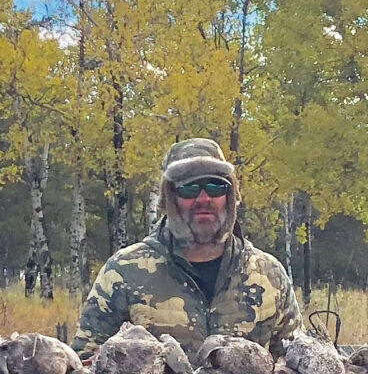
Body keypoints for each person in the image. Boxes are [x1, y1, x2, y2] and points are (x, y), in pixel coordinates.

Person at [75, 139, 301, 356]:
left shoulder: (269, 276)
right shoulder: (123, 272)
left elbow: (296, 368)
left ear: (230, 196)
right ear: (169, 197)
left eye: (216, 186)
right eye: (189, 188)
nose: (204, 198)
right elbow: (84, 370)